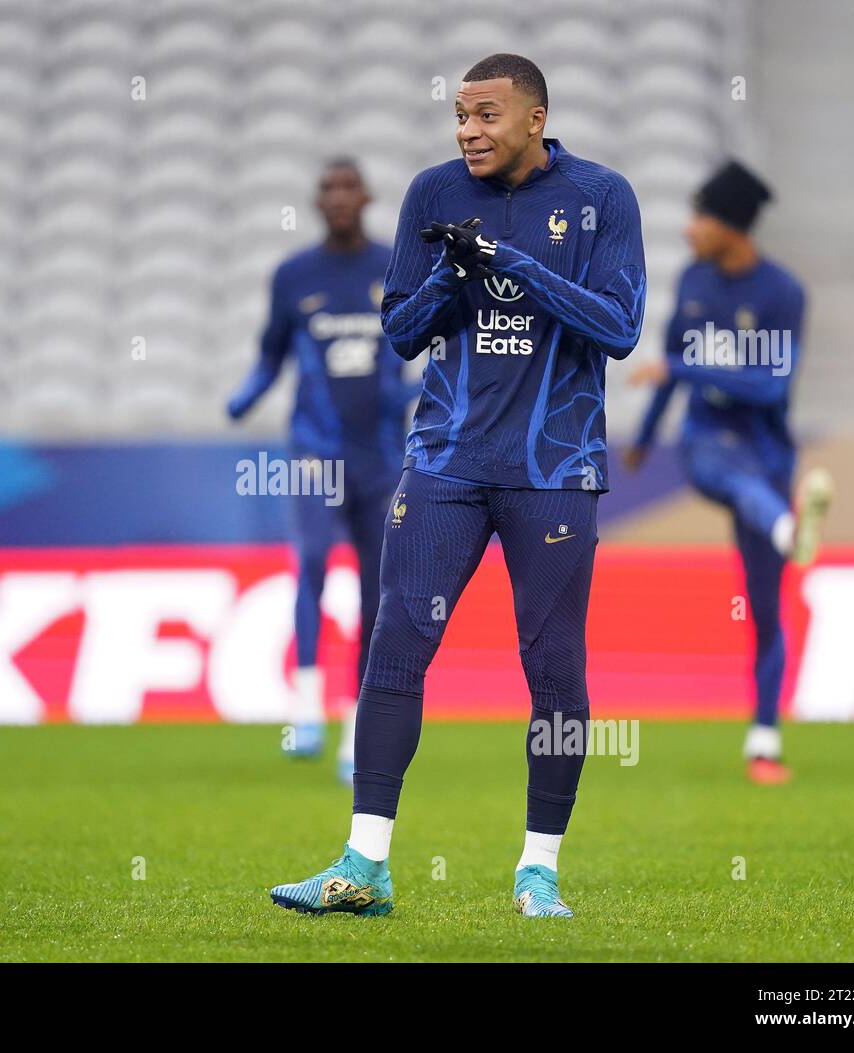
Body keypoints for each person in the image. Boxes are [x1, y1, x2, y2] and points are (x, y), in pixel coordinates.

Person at [269, 53, 646, 919]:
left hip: (554, 470)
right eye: (459, 115)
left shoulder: (603, 198)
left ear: (535, 119)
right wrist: (452, 272)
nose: (466, 131)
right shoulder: (433, 194)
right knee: (396, 650)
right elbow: (401, 329)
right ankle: (364, 865)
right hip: (444, 462)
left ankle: (539, 869)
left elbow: (620, 327)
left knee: (554, 671)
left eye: (485, 115)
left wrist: (508, 260)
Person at [624, 160, 831, 785]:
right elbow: (673, 360)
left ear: (733, 227)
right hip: (707, 441)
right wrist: (643, 436)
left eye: (702, 217)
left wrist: (685, 372)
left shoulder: (783, 294)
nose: (690, 230)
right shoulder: (692, 280)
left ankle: (764, 742)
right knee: (737, 485)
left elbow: (772, 388)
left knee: (766, 608)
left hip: (766, 447)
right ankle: (789, 531)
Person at [227, 159, 414, 782]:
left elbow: (425, 348)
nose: (338, 198)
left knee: (376, 587)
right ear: (316, 200)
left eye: (347, 188)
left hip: (383, 458)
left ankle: (357, 729)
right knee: (309, 563)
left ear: (366, 197)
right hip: (313, 452)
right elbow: (270, 354)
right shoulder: (293, 276)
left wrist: (416, 392)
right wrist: (246, 395)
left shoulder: (396, 267)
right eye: (328, 189)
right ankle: (305, 707)